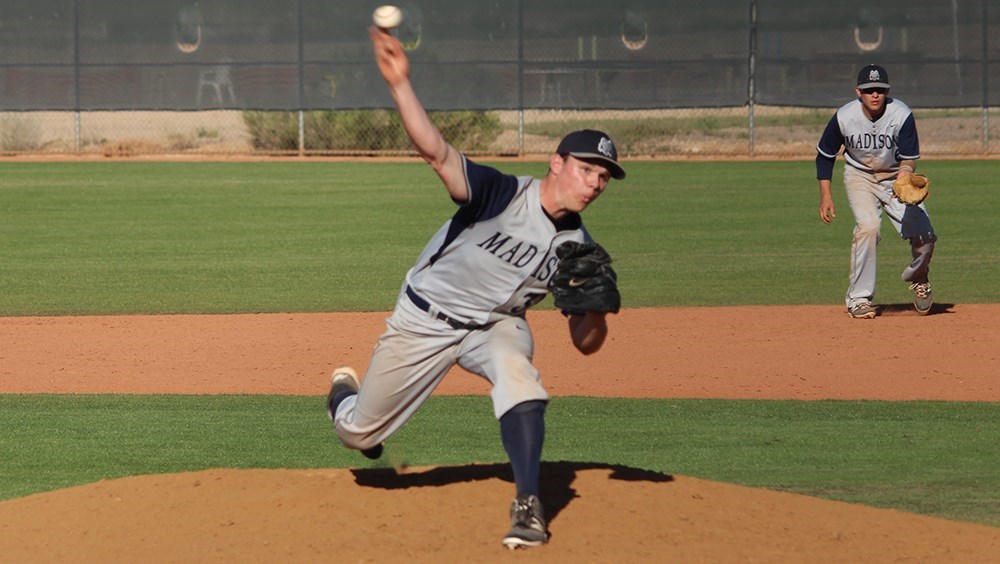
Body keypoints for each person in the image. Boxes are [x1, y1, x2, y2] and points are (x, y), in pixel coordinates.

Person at [325, 26, 626, 549]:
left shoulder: (579, 248)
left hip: (497, 326)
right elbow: (438, 154)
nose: (595, 183)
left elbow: (585, 343)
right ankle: (343, 394)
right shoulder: (502, 194)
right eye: (587, 169)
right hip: (426, 318)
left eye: (604, 177)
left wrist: (597, 313)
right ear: (556, 164)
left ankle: (528, 504)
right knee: (360, 435)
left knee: (519, 375)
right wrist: (399, 84)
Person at [815, 64, 936, 318]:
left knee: (925, 236)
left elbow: (909, 158)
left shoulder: (901, 114)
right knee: (868, 228)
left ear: (887, 90)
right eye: (869, 90)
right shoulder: (844, 116)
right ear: (858, 91)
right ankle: (858, 299)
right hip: (860, 177)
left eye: (880, 89)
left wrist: (905, 171)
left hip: (895, 177)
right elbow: (825, 156)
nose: (875, 95)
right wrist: (825, 195)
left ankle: (919, 275)